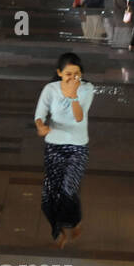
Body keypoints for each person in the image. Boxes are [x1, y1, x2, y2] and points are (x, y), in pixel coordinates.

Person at [35, 52, 95, 247]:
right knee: (49, 194)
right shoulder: (50, 90)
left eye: (76, 74)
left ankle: (74, 221)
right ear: (59, 73)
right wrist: (41, 126)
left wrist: (73, 96)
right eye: (68, 74)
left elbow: (79, 117)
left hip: (77, 147)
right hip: (54, 146)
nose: (72, 78)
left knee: (68, 190)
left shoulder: (87, 89)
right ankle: (57, 231)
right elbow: (40, 114)